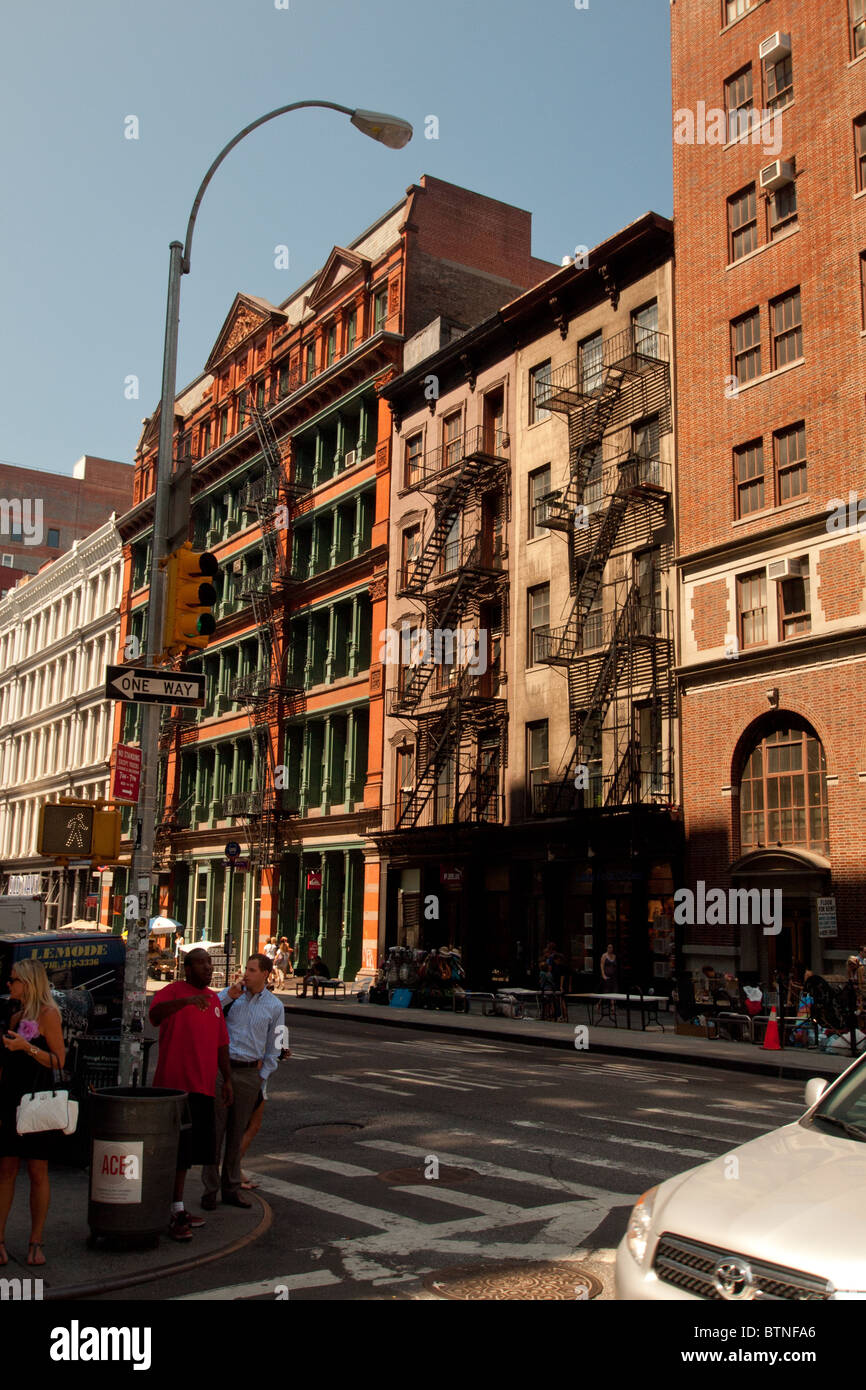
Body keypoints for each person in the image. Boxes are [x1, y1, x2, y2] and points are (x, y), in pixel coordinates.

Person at [149, 948, 232, 1241]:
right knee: (174, 1153)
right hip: (173, 1087)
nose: (208, 967)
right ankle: (170, 1210)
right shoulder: (171, 992)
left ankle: (177, 1206)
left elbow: (222, 1043)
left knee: (189, 1154)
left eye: (209, 962)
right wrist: (184, 1002)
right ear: (187, 968)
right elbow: (154, 1016)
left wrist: (228, 1080)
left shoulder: (214, 1000)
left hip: (203, 1087)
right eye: (202, 963)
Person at [202, 953, 283, 1210]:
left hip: (250, 1072)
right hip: (224, 1068)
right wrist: (230, 995)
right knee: (215, 1132)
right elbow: (207, 1007)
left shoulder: (275, 1006)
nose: (246, 974)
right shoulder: (230, 997)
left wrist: (263, 1075)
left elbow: (277, 1045)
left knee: (237, 1134)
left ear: (265, 974)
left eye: (252, 970)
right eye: (245, 969)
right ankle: (209, 1190)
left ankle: (231, 1188)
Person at [0, 959, 66, 1268]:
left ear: (28, 983)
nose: (9, 984)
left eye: (14, 980)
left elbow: (59, 1061)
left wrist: (27, 1048)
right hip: (11, 1099)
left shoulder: (48, 1015)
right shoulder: (13, 1016)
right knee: (6, 1170)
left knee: (38, 1171)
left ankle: (35, 1241)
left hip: (37, 1101)